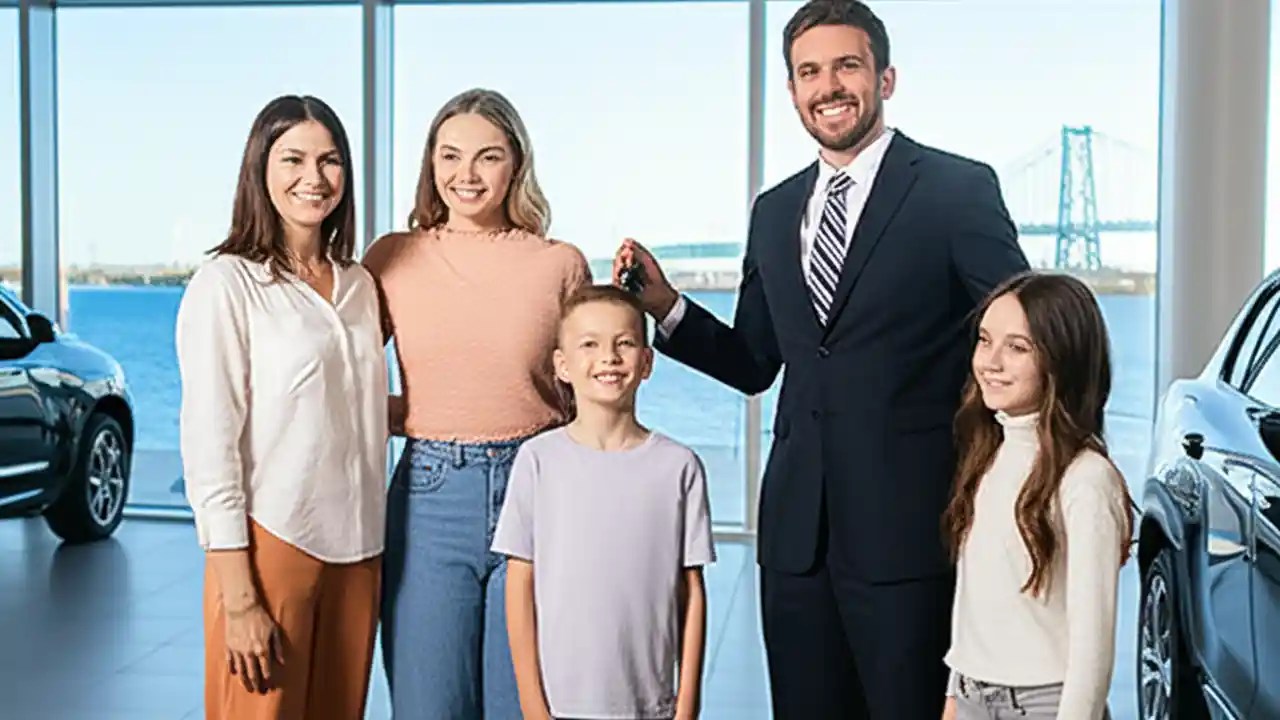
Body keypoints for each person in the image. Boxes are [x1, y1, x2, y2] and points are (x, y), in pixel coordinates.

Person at [613, 0, 1031, 716]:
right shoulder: (774, 211)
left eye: (846, 65)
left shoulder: (959, 191)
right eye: (809, 71)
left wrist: (1051, 477)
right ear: (792, 89)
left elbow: (1028, 337)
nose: (828, 86)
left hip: (910, 533)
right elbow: (754, 361)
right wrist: (663, 306)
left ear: (886, 77)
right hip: (795, 542)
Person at [362, 87, 591, 719]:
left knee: (525, 704)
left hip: (540, 492)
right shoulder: (393, 257)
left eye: (487, 157)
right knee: (429, 704)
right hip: (431, 497)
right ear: (430, 164)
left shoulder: (559, 264)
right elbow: (341, 375)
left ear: (515, 163)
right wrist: (409, 415)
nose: (466, 174)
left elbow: (588, 403)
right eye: (450, 155)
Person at [176, 94, 387, 720]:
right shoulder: (226, 284)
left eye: (330, 161)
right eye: (293, 158)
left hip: (360, 550)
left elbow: (352, 402)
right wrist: (237, 592)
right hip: (274, 542)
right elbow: (210, 442)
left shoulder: (359, 284)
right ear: (260, 168)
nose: (313, 178)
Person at [492, 284, 715, 720]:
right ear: (562, 365)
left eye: (625, 343)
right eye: (589, 344)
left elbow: (691, 592)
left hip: (651, 705)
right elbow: (519, 585)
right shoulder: (538, 461)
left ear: (646, 362)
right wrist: (533, 706)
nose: (609, 358)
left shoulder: (679, 467)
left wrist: (687, 705)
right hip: (561, 705)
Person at [941, 272, 1131, 720]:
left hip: (1044, 706)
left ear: (1062, 360)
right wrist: (954, 697)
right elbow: (974, 601)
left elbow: (1092, 651)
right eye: (985, 340)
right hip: (971, 696)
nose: (990, 362)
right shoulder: (988, 455)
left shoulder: (1086, 479)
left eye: (1017, 347)